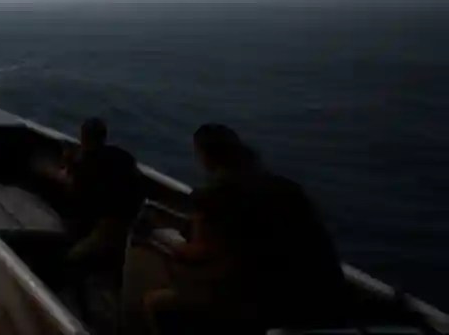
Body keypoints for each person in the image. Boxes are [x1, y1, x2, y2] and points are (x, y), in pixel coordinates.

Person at [140, 124, 344, 334]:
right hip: (323, 297)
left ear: (205, 156)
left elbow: (200, 253)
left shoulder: (215, 196)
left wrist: (161, 239)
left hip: (269, 305)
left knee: (157, 303)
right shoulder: (287, 189)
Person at [60, 117, 144, 269]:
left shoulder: (86, 166)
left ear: (83, 137)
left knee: (70, 259)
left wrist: (69, 165)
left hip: (106, 228)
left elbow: (75, 196)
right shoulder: (124, 157)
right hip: (129, 223)